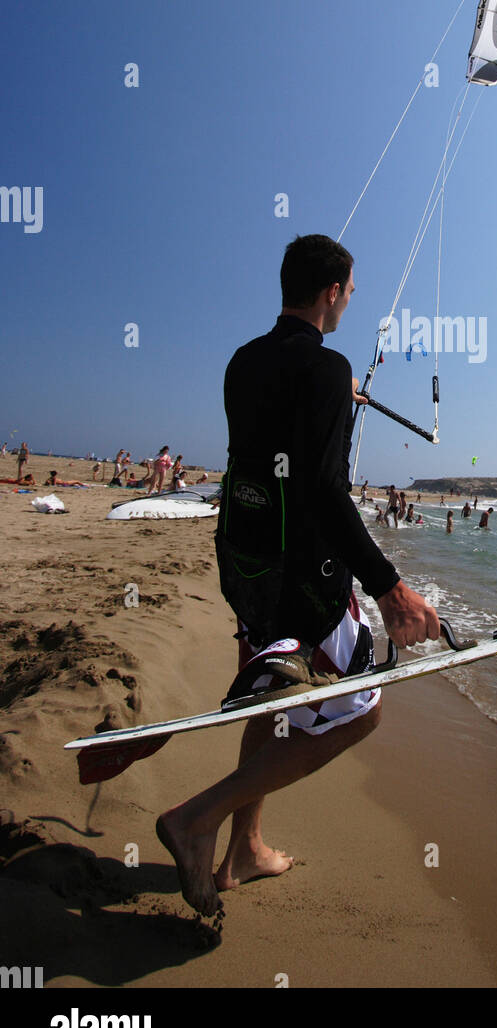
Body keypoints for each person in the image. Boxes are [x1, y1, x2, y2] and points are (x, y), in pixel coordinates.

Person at [156, 233, 439, 916]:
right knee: (362, 712)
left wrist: (334, 399)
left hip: (246, 562)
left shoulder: (242, 362)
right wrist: (387, 584)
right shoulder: (324, 370)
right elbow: (322, 490)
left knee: (275, 695)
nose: (349, 302)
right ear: (331, 291)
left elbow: (276, 434)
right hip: (305, 578)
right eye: (349, 292)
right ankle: (199, 818)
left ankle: (245, 849)